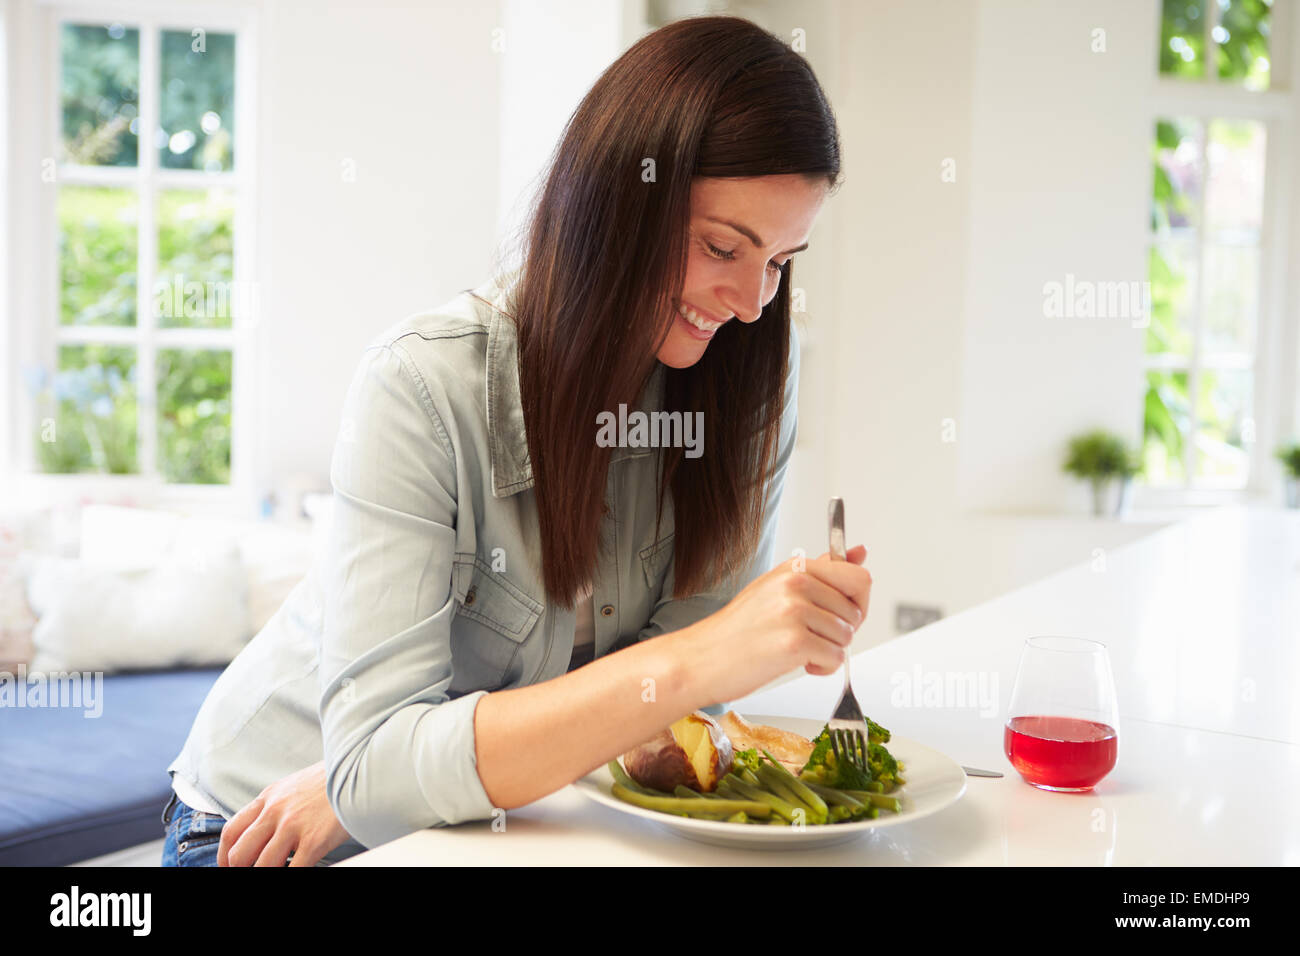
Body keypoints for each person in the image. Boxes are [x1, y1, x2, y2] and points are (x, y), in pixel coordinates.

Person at [161, 14, 871, 867]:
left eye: (782, 260)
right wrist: (707, 657)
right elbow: (373, 772)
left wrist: (402, 774)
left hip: (503, 816)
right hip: (267, 826)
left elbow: (664, 723)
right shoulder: (423, 387)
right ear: (622, 205)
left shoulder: (751, 381)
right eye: (724, 246)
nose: (754, 302)